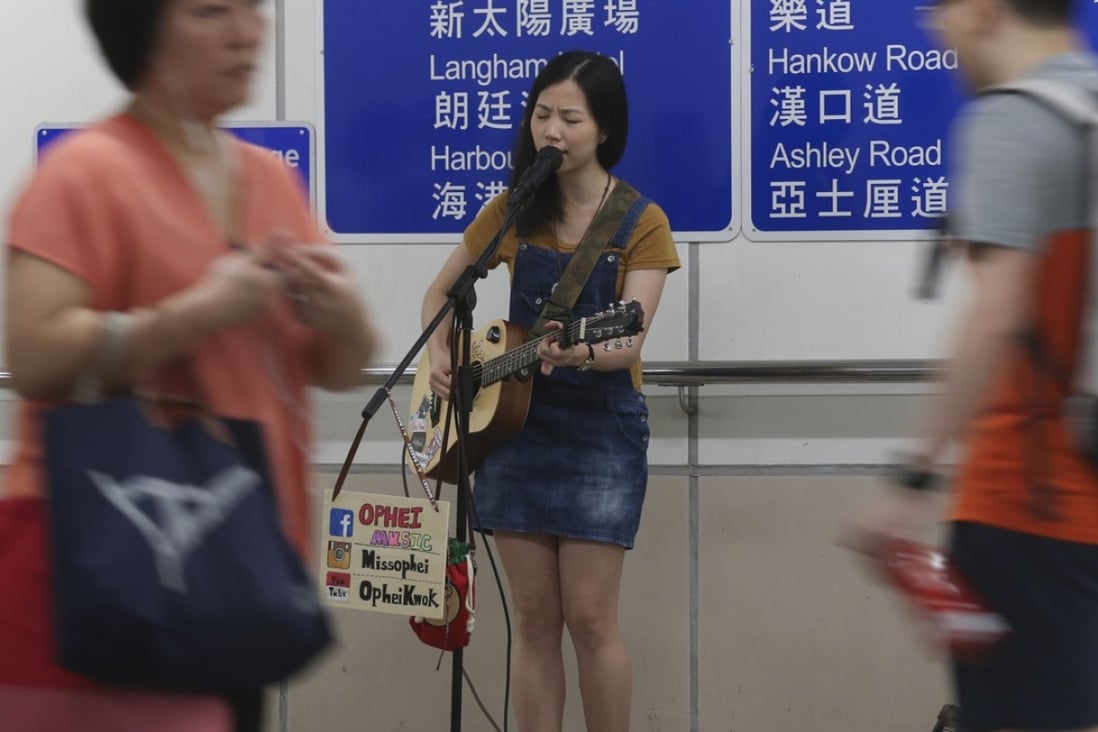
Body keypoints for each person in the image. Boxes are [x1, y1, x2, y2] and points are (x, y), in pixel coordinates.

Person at [0, 1, 376, 730]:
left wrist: (346, 318)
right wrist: (196, 313)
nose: (248, 31)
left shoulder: (270, 181)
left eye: (252, 9)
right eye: (212, 12)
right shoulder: (85, 172)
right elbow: (35, 355)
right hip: (112, 570)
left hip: (242, 570)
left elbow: (334, 366)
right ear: (143, 28)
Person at [846, 1, 1098, 731]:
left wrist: (909, 477)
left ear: (986, 9)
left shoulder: (1013, 118)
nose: (935, 28)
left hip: (1025, 503)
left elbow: (997, 314)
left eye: (942, 9)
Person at [421, 50, 680, 732]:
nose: (552, 130)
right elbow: (442, 294)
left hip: (601, 429)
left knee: (590, 618)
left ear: (604, 129)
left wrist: (583, 351)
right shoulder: (512, 211)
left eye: (571, 117)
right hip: (512, 428)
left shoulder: (641, 221)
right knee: (533, 621)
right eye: (542, 114)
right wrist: (441, 351)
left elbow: (629, 337)